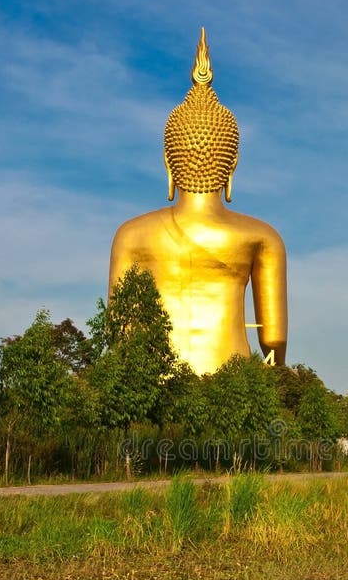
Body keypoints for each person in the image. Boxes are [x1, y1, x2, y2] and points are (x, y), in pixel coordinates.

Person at [108, 28, 287, 375]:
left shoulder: (130, 235)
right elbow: (275, 339)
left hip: (152, 386)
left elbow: (118, 333)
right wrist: (277, 382)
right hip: (233, 386)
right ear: (232, 163)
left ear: (167, 161)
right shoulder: (262, 237)